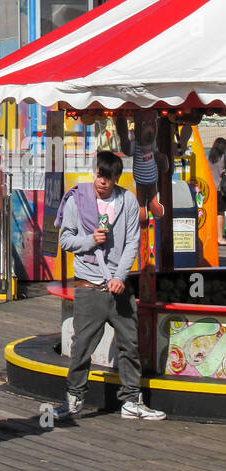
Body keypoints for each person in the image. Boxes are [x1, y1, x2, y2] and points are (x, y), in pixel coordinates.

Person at [53, 149, 165, 421]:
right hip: (89, 285)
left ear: (117, 178)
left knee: (130, 343)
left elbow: (132, 243)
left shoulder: (126, 200)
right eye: (100, 175)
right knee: (82, 346)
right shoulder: (77, 200)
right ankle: (74, 398)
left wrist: (120, 277)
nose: (102, 181)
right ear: (95, 172)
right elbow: (66, 240)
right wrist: (90, 240)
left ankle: (130, 400)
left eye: (109, 177)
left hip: (119, 285)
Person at [207, 137, 226, 243]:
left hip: (209, 189)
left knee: (210, 213)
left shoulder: (209, 157)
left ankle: (211, 236)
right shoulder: (223, 158)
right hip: (219, 189)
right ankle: (220, 237)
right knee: (220, 213)